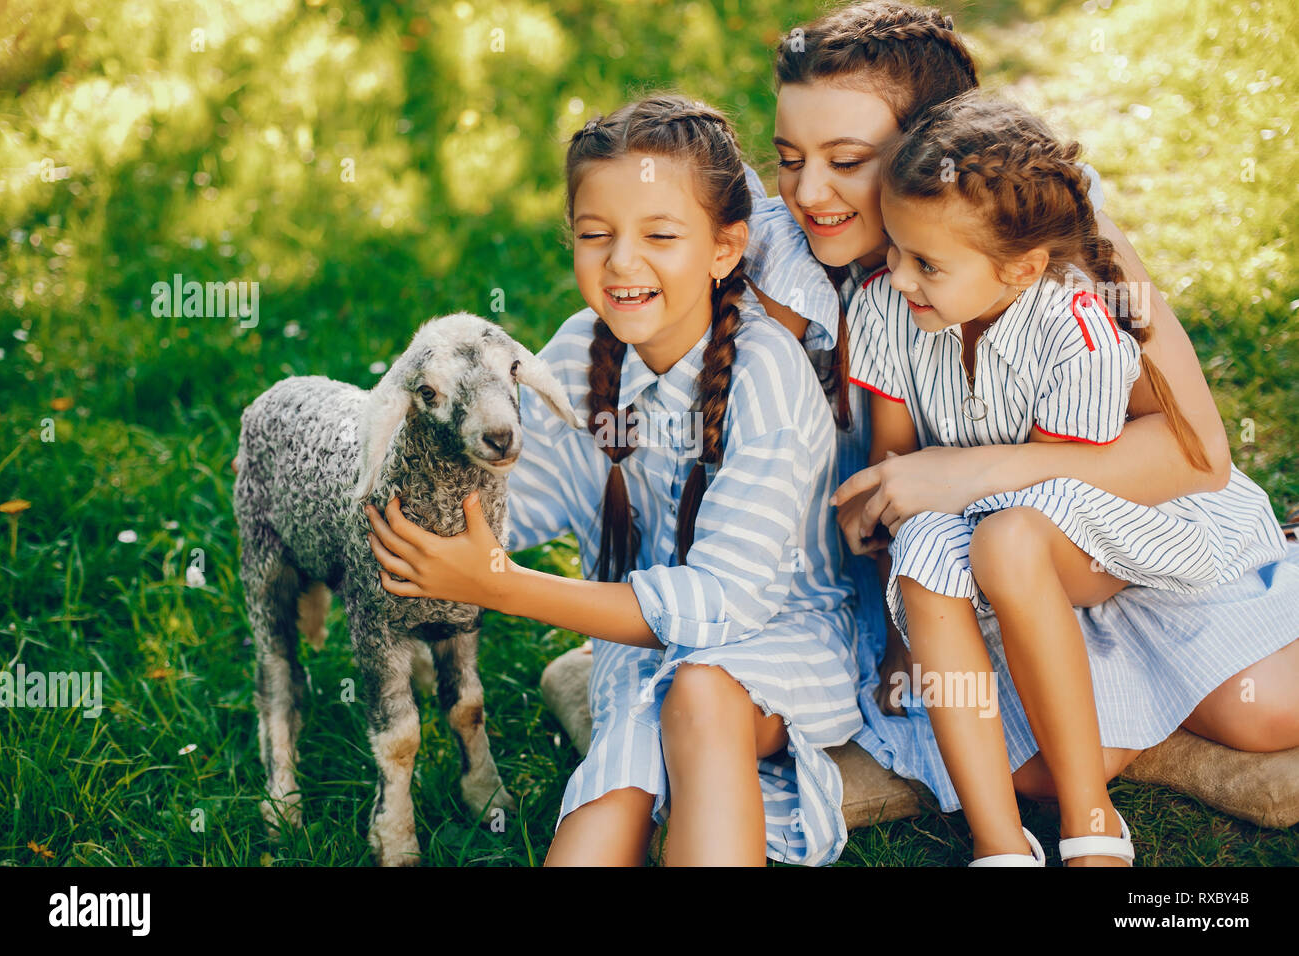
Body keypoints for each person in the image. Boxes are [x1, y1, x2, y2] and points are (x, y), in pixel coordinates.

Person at [741, 1, 1299, 819]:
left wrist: (970, 470)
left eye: (848, 160)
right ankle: (1115, 734)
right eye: (789, 157)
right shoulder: (791, 268)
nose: (809, 191)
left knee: (1264, 711)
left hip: (1115, 535)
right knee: (1020, 761)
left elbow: (1196, 454)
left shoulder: (1064, 247)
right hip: (951, 578)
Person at [364, 94, 862, 866]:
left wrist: (501, 584)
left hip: (779, 640)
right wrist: (388, 490)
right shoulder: (577, 351)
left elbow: (723, 603)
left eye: (660, 235)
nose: (622, 261)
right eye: (596, 235)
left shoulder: (765, 376)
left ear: (726, 247)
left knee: (701, 692)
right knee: (594, 832)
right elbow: (511, 497)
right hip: (640, 648)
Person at [841, 92, 1289, 865]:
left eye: (928, 264)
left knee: (1267, 717)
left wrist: (944, 483)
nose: (900, 276)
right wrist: (883, 505)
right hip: (991, 540)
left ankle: (1093, 819)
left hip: (1097, 530)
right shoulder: (887, 307)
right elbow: (894, 452)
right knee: (930, 564)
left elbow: (1054, 495)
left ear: (1020, 269)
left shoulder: (1073, 321)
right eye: (896, 251)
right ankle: (1000, 841)